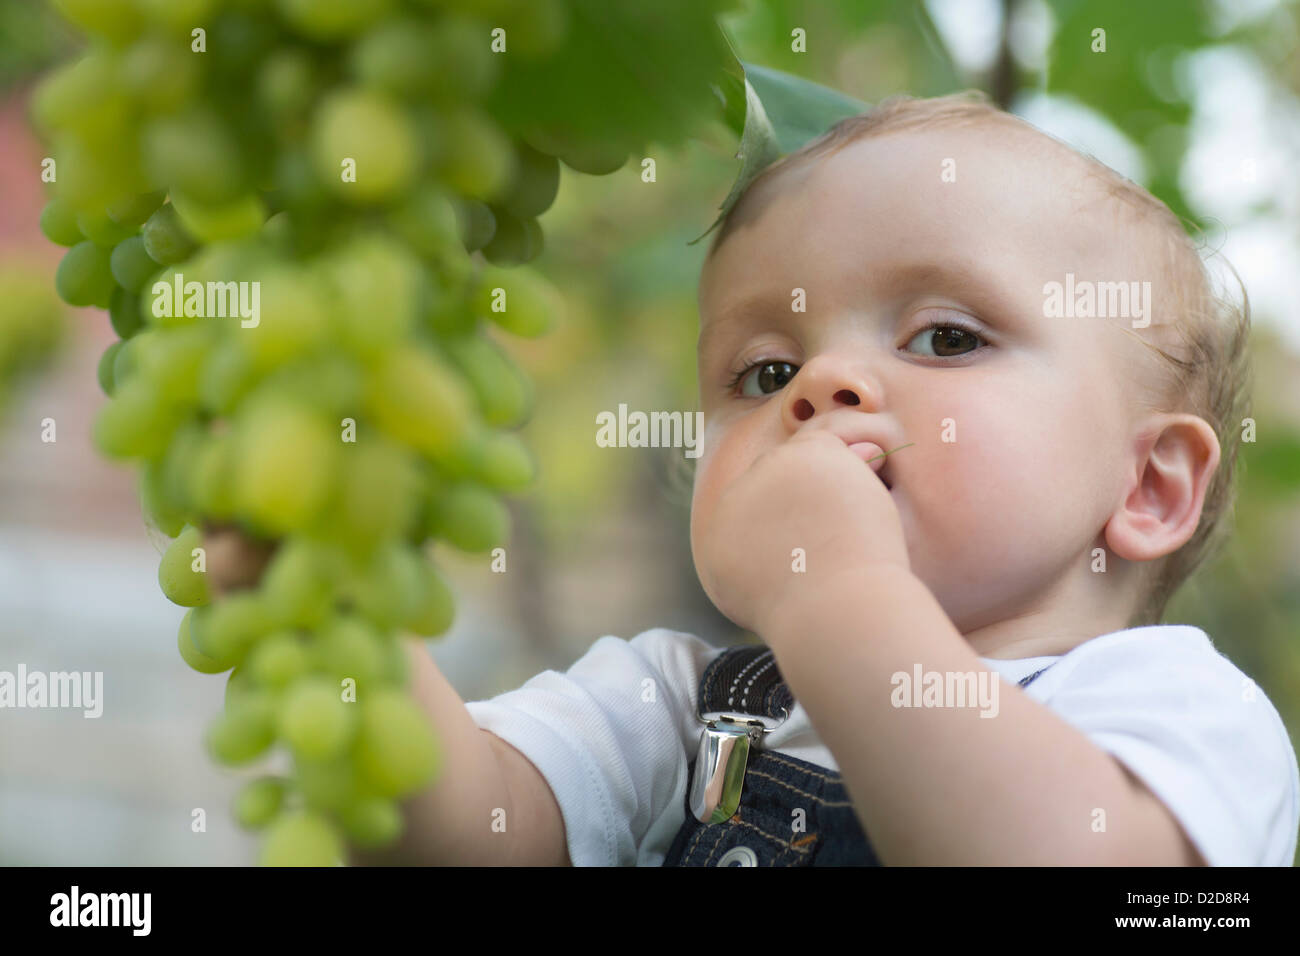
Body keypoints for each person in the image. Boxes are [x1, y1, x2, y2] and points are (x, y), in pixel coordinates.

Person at [361, 91, 1300, 867]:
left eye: (945, 338)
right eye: (765, 373)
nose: (818, 386)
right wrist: (341, 596)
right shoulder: (679, 702)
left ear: (1149, 485)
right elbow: (465, 833)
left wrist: (840, 595)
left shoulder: (1184, 716)